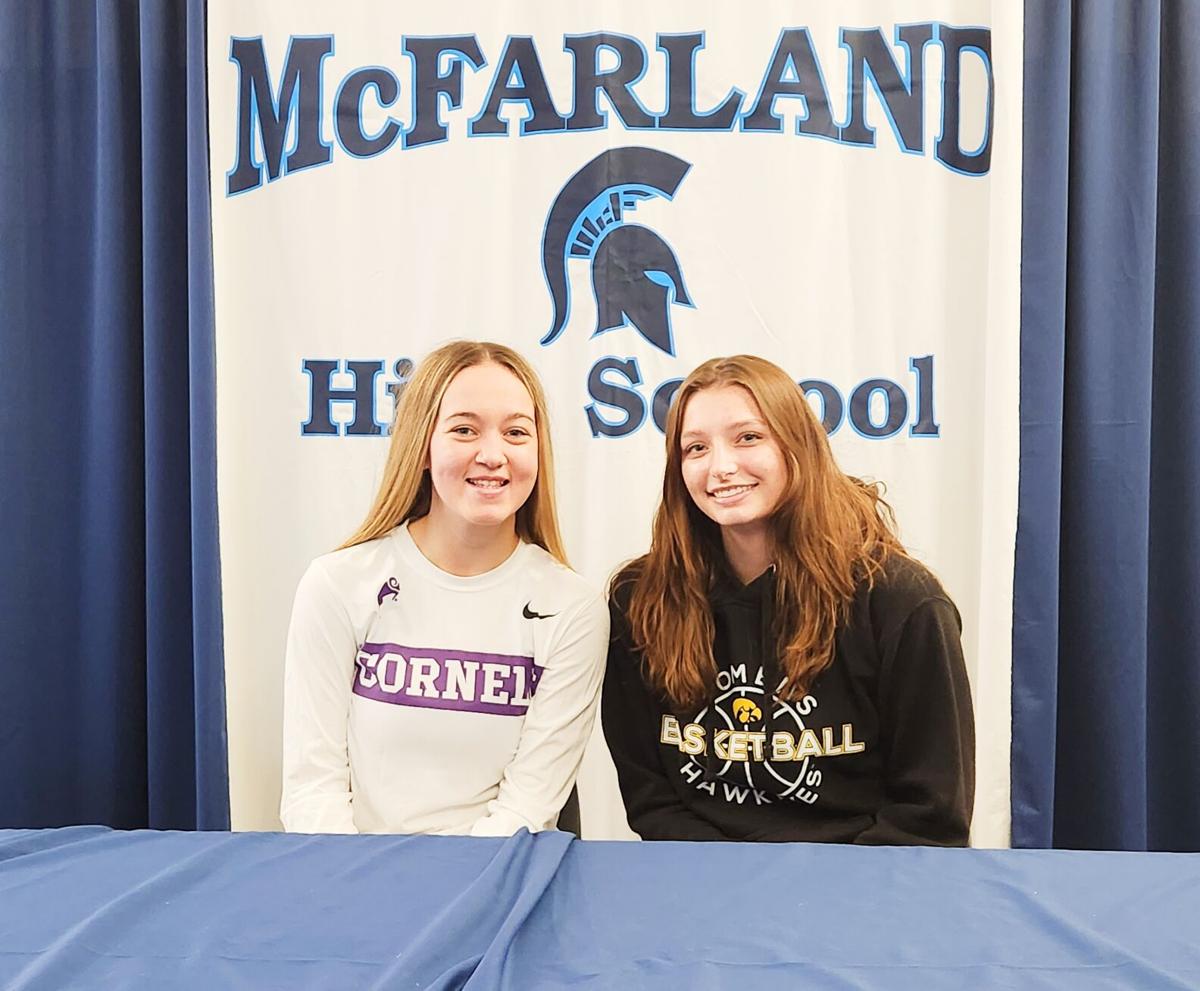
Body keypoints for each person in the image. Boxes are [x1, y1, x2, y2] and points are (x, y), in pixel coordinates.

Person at [603, 355, 974, 844]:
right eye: (696, 448)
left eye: (748, 438)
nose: (721, 467)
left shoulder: (900, 602)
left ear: (796, 446)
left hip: (859, 887)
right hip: (703, 882)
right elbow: (652, 800)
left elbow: (931, 815)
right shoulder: (641, 600)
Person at [281, 341, 608, 836]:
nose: (493, 454)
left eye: (517, 432)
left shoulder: (573, 608)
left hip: (497, 887)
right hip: (357, 883)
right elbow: (313, 789)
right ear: (423, 447)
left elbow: (529, 808)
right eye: (464, 430)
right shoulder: (337, 583)